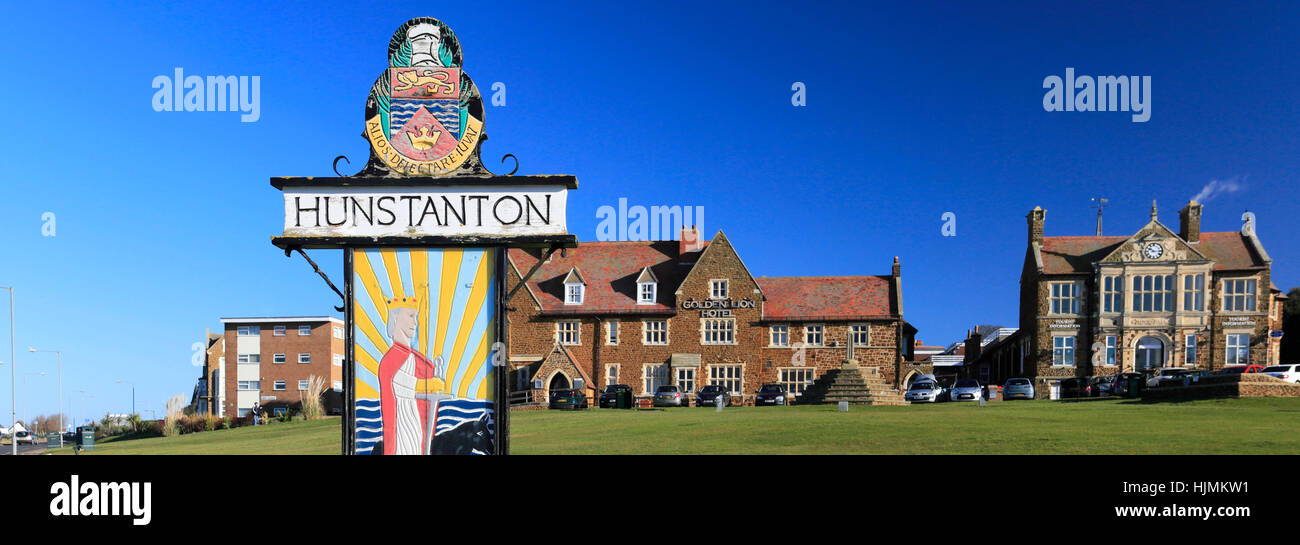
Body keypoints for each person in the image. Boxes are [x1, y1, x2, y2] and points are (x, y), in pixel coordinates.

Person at [378, 295, 447, 455]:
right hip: (401, 420)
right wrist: (427, 385)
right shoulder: (392, 357)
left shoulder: (410, 356)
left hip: (413, 416)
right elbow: (399, 383)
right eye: (410, 316)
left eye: (415, 317)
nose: (415, 322)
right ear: (396, 317)